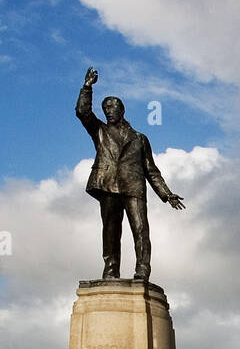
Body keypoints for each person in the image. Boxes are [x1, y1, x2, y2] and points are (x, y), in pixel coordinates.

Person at [75, 66, 184, 281]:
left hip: (133, 187)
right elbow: (82, 113)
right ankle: (111, 269)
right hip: (107, 184)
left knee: (140, 229)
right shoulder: (99, 130)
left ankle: (142, 270)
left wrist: (166, 194)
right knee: (111, 230)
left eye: (112, 106)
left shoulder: (139, 138)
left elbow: (151, 170)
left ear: (122, 109)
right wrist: (87, 87)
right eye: (105, 107)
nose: (108, 110)